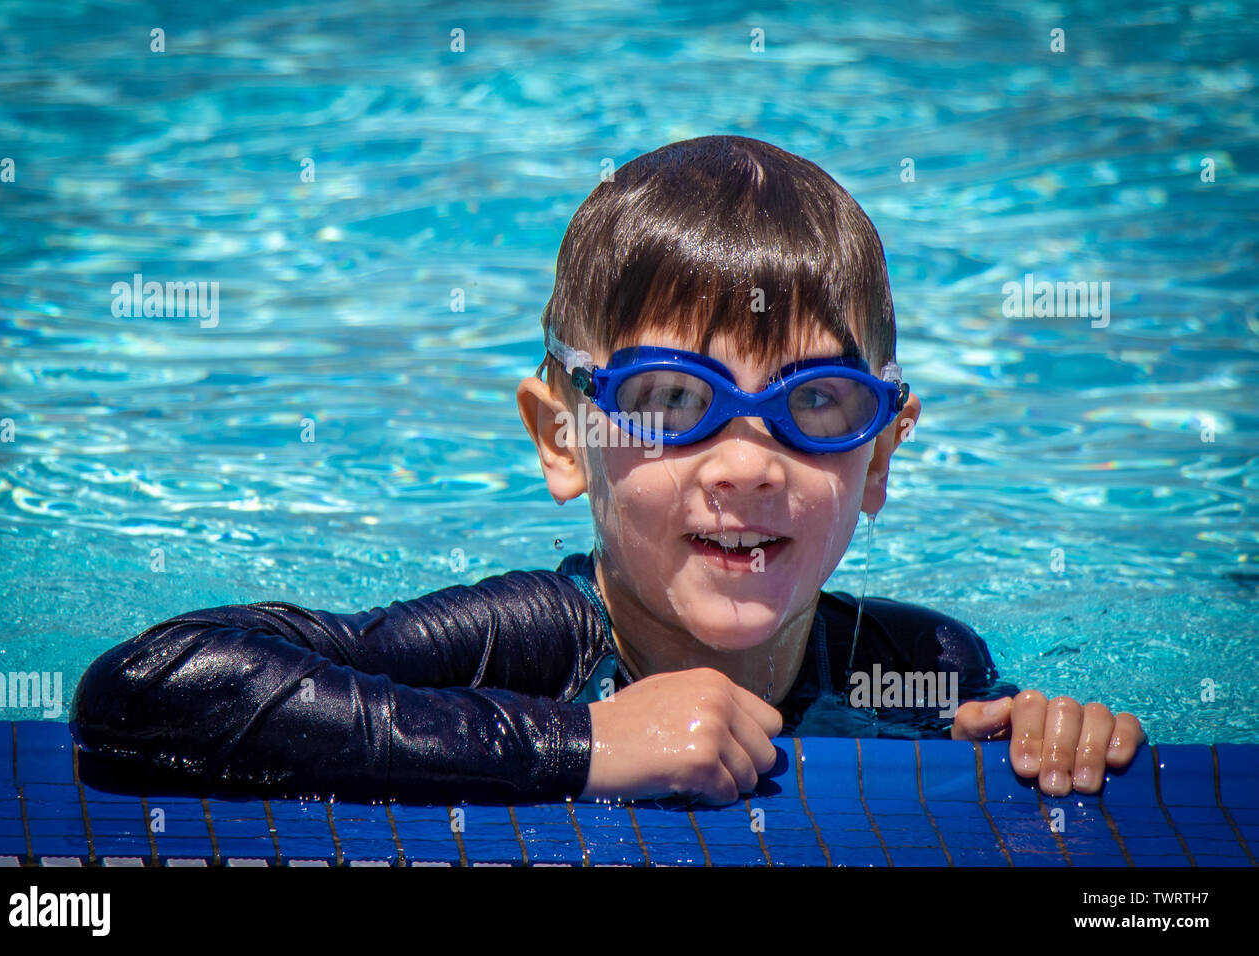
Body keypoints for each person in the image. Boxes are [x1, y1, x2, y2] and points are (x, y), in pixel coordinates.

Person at [70, 135, 1145, 807]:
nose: (747, 464)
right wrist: (576, 742)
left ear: (879, 456)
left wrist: (1056, 734)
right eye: (673, 401)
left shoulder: (923, 662)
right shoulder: (534, 641)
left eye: (815, 405)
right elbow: (149, 685)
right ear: (561, 437)